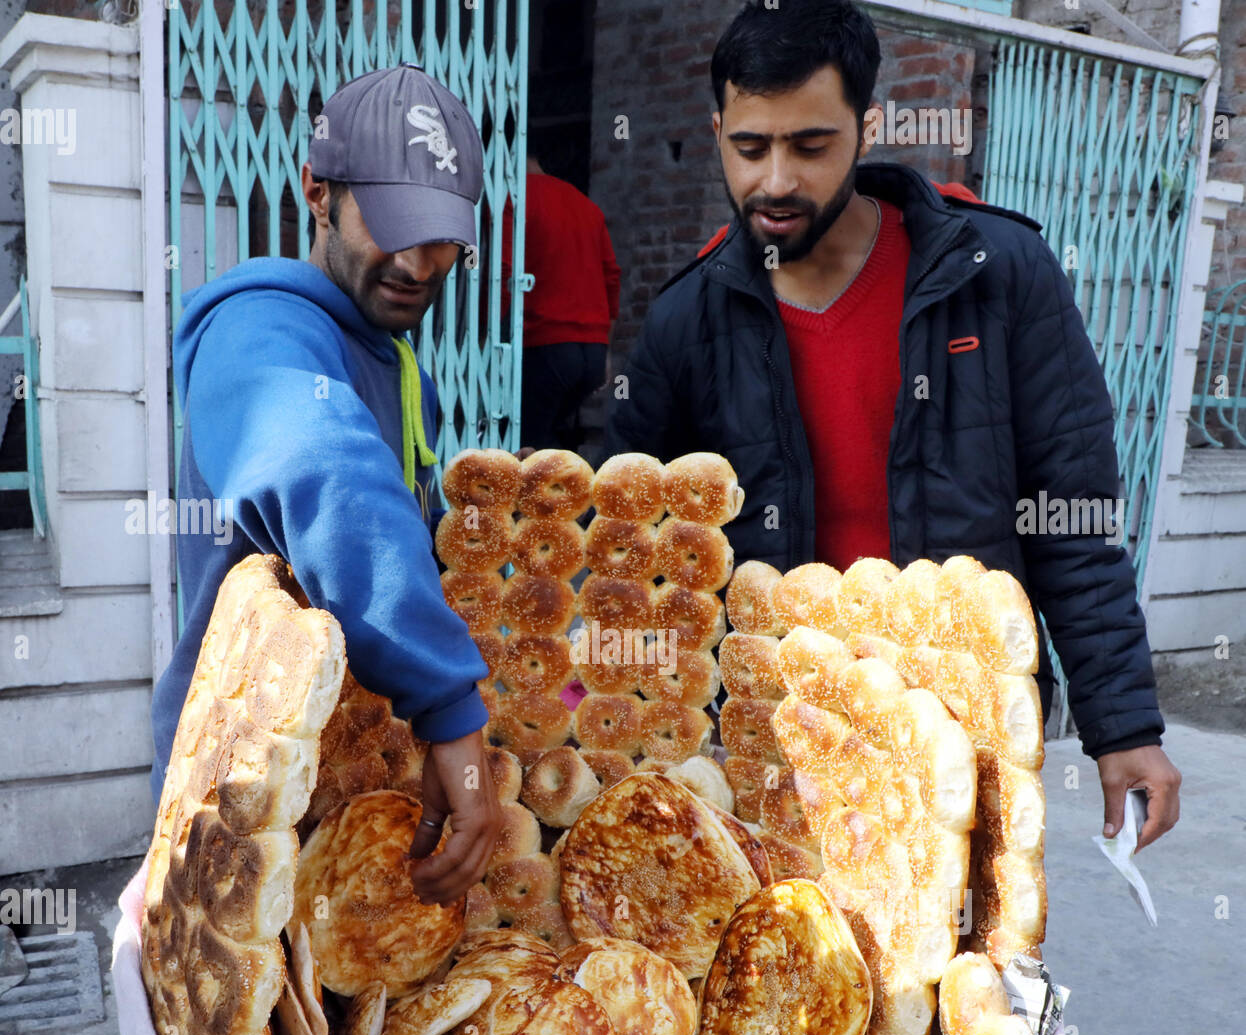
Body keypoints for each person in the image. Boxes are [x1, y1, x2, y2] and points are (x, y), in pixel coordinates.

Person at [606, 0, 1180, 854]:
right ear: (717, 130)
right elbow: (640, 548)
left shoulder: (996, 274)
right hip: (781, 733)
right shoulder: (687, 319)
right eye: (750, 147)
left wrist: (1122, 721)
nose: (775, 182)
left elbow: (1073, 513)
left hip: (960, 720)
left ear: (867, 127)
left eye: (810, 145)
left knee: (960, 969)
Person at [149, 65, 500, 904]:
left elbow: (411, 537)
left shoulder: (396, 358)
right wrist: (451, 706)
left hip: (347, 788)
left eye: (443, 236)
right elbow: (327, 471)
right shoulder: (257, 330)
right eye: (394, 225)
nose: (419, 263)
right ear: (318, 192)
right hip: (240, 798)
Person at [504, 145, 620, 450]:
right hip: (591, 355)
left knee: (525, 450)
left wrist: (479, 338)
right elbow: (611, 277)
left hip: (545, 347)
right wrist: (605, 350)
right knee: (554, 446)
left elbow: (503, 272)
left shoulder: (514, 198)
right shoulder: (587, 207)